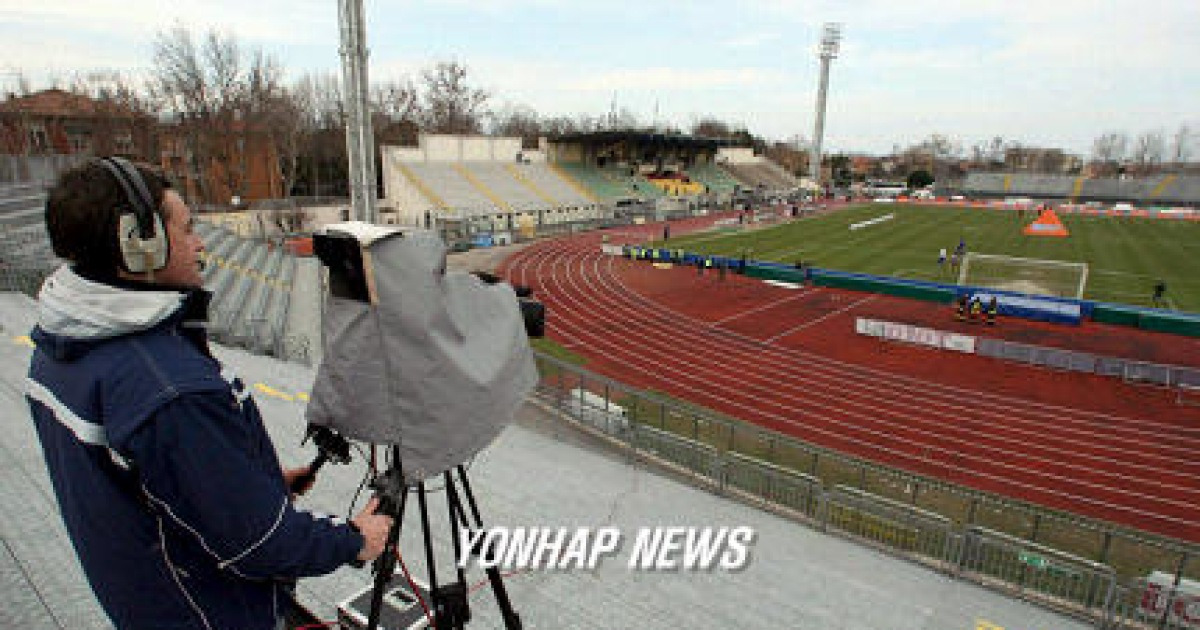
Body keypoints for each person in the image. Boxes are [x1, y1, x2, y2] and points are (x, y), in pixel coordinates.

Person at [25, 158, 393, 630]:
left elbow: (147, 476)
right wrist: (355, 540)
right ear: (139, 245)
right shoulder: (170, 391)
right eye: (186, 229)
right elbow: (259, 544)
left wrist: (245, 479)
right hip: (211, 612)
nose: (200, 243)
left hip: (149, 600)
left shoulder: (57, 347)